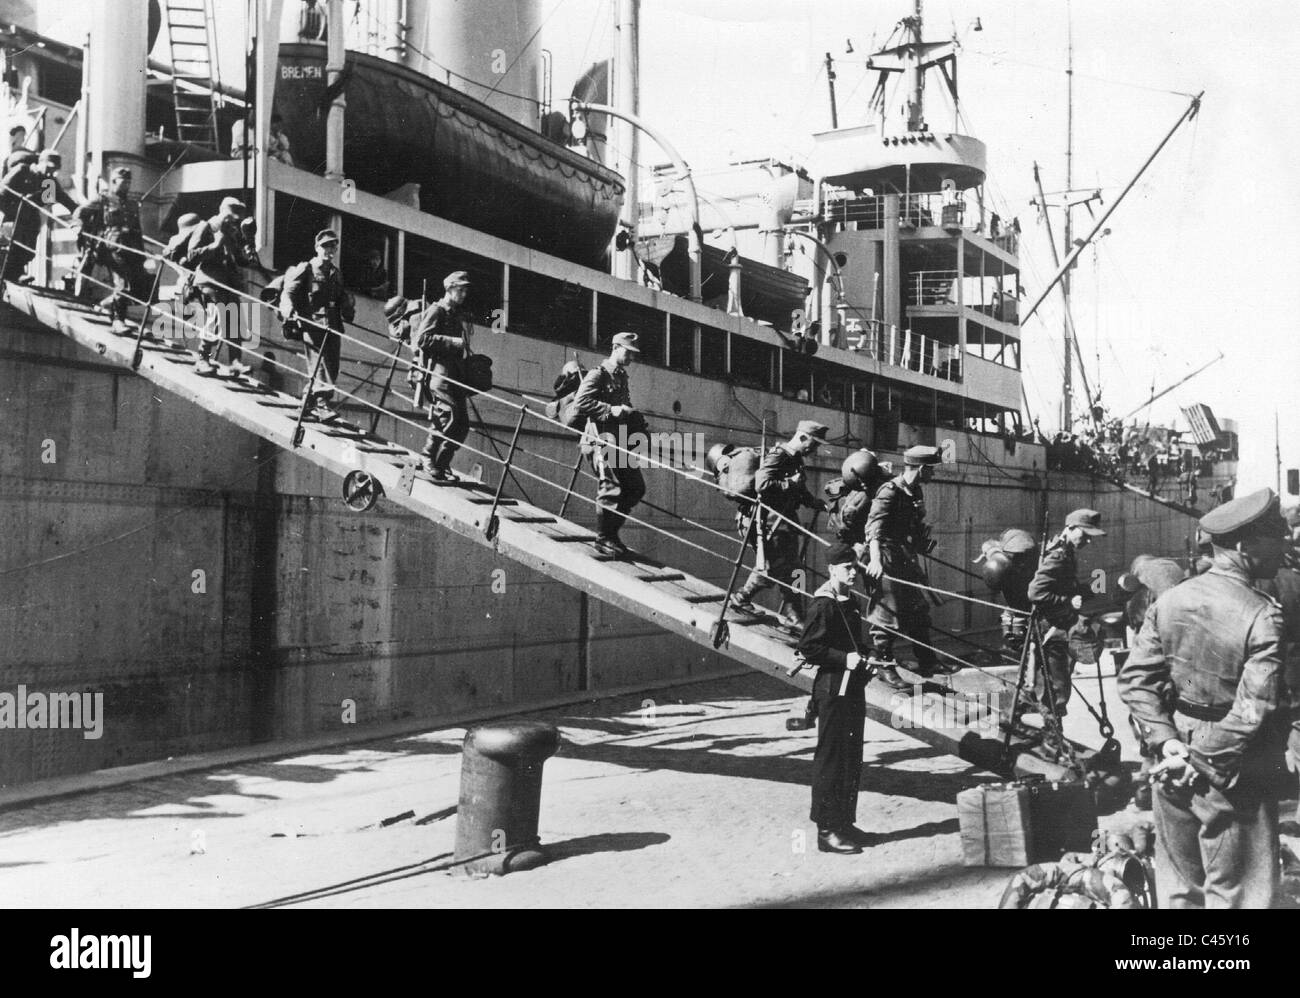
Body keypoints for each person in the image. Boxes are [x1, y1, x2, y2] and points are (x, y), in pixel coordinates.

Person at [1119, 488, 1296, 909]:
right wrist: (1202, 761)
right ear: (1245, 545)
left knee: (1181, 886)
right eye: (1276, 537)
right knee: (1239, 891)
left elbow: (1135, 682)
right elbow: (1254, 707)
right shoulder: (1261, 614)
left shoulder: (1171, 599)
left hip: (1174, 754)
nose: (1284, 546)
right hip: (1234, 762)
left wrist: (1168, 744)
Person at [797, 541, 871, 855]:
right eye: (847, 568)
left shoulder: (850, 600)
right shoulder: (823, 603)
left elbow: (855, 642)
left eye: (855, 567)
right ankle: (826, 831)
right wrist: (844, 659)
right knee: (831, 759)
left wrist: (866, 659)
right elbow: (809, 647)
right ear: (831, 569)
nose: (853, 572)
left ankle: (844, 822)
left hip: (852, 688)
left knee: (851, 758)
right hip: (831, 689)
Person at [863, 444, 950, 689]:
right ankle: (882, 664)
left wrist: (923, 541)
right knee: (888, 611)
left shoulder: (915, 491)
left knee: (918, 609)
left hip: (903, 555)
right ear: (921, 469)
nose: (933, 475)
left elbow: (913, 526)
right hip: (886, 556)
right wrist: (877, 561)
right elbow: (873, 528)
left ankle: (927, 660)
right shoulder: (889, 491)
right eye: (931, 470)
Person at [728, 420, 828, 629]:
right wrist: (789, 483)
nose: (815, 449)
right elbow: (761, 484)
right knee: (772, 567)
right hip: (767, 523)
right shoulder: (779, 455)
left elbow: (799, 491)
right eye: (814, 443)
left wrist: (815, 503)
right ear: (802, 437)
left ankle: (795, 616)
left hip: (783, 523)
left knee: (796, 570)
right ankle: (741, 598)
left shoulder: (796, 459)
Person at [1026, 508, 1105, 728]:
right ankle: (1052, 735)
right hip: (1052, 629)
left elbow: (1060, 584)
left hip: (1058, 626)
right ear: (1070, 528)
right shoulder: (1058, 556)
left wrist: (1082, 591)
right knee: (1057, 687)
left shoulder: (1065, 552)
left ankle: (1052, 732)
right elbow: (1035, 592)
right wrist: (1067, 601)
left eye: (1090, 537)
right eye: (1085, 535)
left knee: (1057, 685)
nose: (1087, 541)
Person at [572, 331, 648, 557]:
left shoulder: (621, 377)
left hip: (618, 442)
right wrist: (610, 410)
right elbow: (581, 402)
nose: (631, 358)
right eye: (628, 352)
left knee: (635, 487)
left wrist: (634, 418)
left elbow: (624, 404)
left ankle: (611, 534)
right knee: (611, 487)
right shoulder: (598, 374)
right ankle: (603, 538)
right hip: (598, 441)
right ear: (616, 347)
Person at [280, 229, 355, 418]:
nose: (329, 250)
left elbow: (340, 298)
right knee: (319, 365)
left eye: (333, 247)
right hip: (313, 323)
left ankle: (307, 402)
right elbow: (288, 292)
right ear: (317, 247)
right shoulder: (307, 268)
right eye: (325, 246)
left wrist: (348, 309)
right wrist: (287, 309)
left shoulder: (336, 273)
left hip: (333, 324)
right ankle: (322, 405)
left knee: (332, 365)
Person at [410, 271, 476, 481]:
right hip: (440, 374)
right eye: (460, 289)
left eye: (466, 290)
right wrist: (452, 342)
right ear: (449, 289)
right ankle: (427, 456)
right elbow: (422, 339)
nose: (464, 294)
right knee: (449, 416)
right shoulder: (437, 311)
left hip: (456, 375)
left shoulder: (455, 314)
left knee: (463, 424)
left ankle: (443, 463)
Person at [73, 166, 150, 332]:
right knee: (123, 284)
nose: (127, 185)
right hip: (111, 248)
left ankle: (106, 304)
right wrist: (78, 226)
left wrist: (142, 255)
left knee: (139, 284)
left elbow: (137, 230)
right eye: (124, 182)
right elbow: (80, 212)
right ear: (114, 181)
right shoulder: (103, 199)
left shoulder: (132, 204)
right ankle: (117, 322)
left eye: (129, 182)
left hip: (130, 248)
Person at [185, 197, 253, 374]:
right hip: (209, 281)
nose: (234, 221)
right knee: (216, 315)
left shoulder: (231, 232)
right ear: (222, 212)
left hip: (227, 283)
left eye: (236, 219)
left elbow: (239, 259)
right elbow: (192, 254)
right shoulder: (206, 227)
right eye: (231, 217)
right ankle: (202, 359)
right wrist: (215, 246)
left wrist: (248, 253)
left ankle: (235, 361)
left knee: (235, 317)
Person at [1, 149, 78, 284]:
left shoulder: (47, 181)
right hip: (13, 216)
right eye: (48, 167)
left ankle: (17, 273)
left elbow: (65, 200)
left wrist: (80, 213)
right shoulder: (22, 170)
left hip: (30, 218)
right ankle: (12, 273)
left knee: (28, 249)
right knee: (12, 245)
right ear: (40, 163)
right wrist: (14, 211)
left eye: (53, 170)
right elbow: (2, 193)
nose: (50, 172)